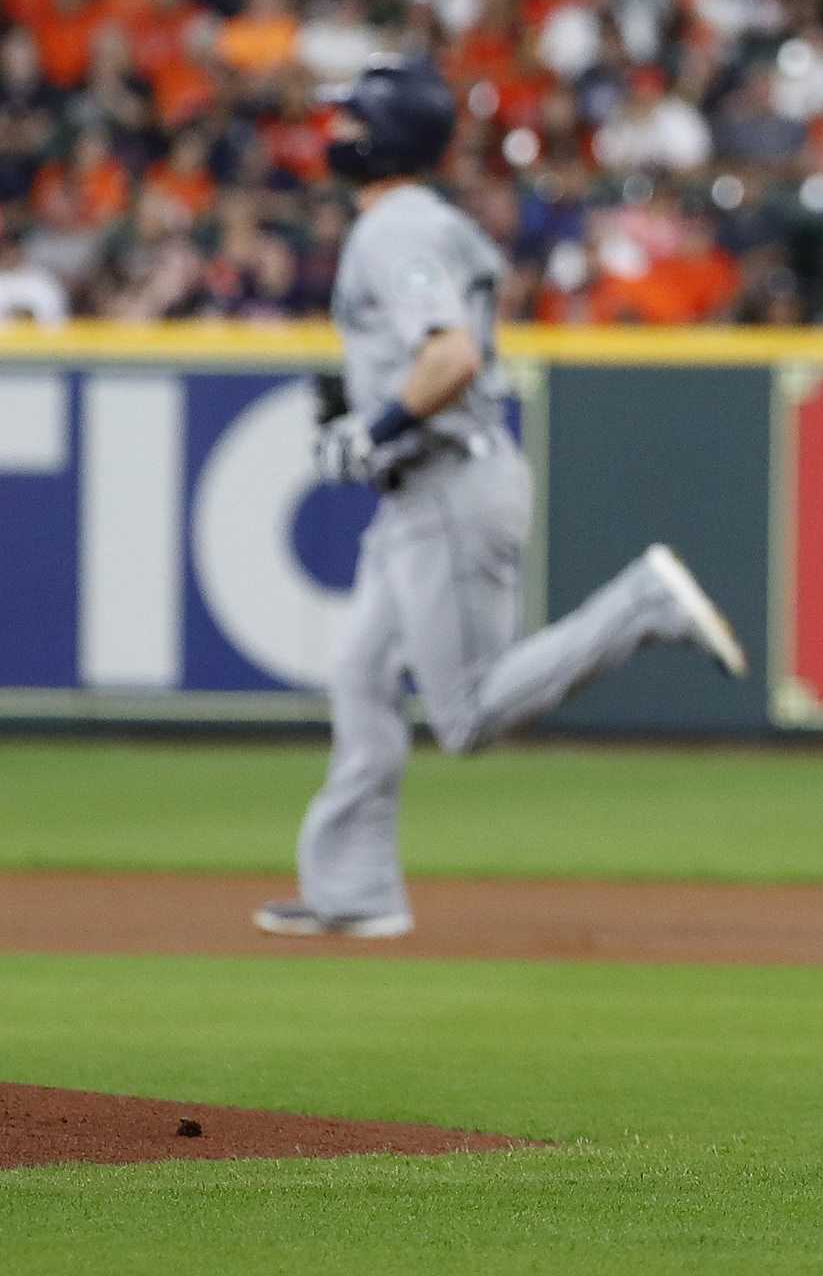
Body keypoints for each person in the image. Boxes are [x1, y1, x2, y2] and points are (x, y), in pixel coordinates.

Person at [255, 58, 744, 940]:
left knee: (468, 714)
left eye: (352, 122)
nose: (335, 135)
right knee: (361, 677)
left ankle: (643, 603)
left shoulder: (394, 229)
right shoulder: (415, 222)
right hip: (424, 491)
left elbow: (452, 357)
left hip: (445, 481)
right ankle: (354, 890)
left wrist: (374, 428)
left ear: (388, 135)